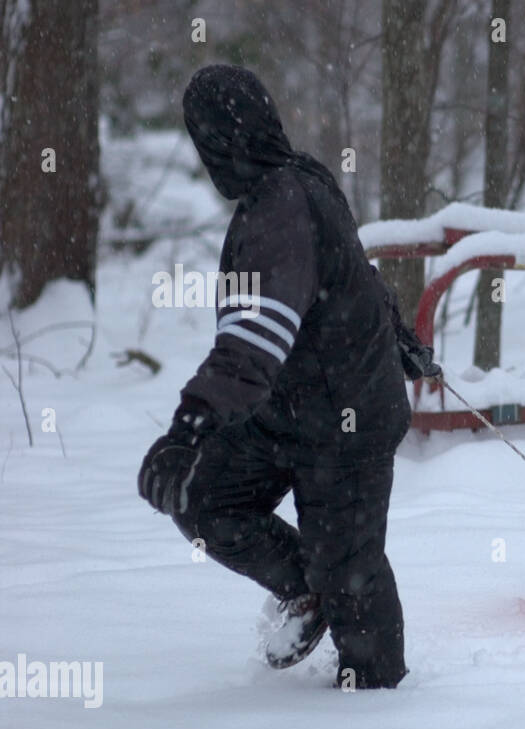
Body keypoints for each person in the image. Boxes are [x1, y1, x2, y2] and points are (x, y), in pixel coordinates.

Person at [137, 64, 429, 689]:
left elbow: (254, 337)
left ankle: (382, 708)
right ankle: (307, 587)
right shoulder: (287, 185)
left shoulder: (285, 203)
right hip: (284, 410)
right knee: (205, 497)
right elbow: (355, 274)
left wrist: (188, 429)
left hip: (347, 423)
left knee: (350, 572)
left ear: (218, 142)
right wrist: (397, 331)